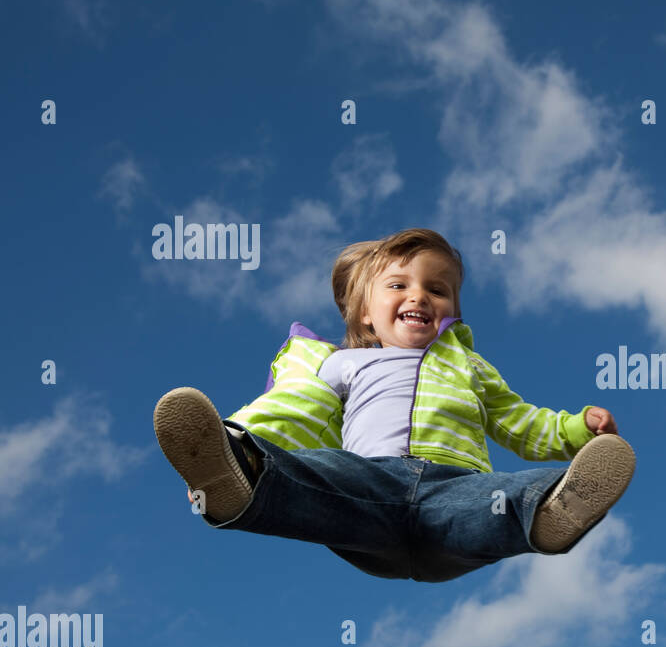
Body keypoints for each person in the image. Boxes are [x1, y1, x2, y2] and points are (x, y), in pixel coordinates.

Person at [152, 227, 635, 583]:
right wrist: (235, 439)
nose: (419, 296)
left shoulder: (470, 368)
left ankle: (551, 510)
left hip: (456, 494)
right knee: (320, 475)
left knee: (505, 494)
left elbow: (520, 421)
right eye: (399, 285)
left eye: (437, 289)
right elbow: (295, 407)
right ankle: (241, 477)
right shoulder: (345, 364)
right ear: (365, 311)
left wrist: (574, 430)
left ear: (453, 312)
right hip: (370, 492)